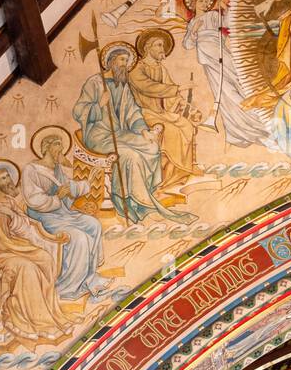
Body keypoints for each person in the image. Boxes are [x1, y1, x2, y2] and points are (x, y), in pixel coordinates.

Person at [72, 47, 196, 223]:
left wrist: (143, 131)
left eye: (128, 62)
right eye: (122, 60)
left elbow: (133, 112)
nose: (126, 65)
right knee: (130, 156)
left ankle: (147, 192)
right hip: (99, 136)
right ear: (111, 61)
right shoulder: (95, 83)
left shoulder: (123, 84)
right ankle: (132, 200)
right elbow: (78, 111)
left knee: (151, 146)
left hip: (121, 133)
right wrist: (99, 105)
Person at [0, 161, 73, 342]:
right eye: (3, 178)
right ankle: (32, 319)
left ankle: (50, 312)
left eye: (8, 176)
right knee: (26, 267)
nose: (8, 180)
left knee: (45, 258)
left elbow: (24, 225)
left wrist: (10, 214)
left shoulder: (10, 201)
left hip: (12, 245)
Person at [22, 128, 116, 301]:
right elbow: (33, 199)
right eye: (57, 144)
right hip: (44, 217)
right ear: (46, 148)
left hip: (62, 214)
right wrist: (57, 197)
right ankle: (69, 286)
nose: (61, 149)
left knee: (93, 225)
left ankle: (89, 277)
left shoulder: (56, 168)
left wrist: (88, 182)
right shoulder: (32, 169)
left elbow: (69, 187)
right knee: (79, 238)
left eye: (61, 145)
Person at [181, 0, 269, 146]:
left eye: (206, 1)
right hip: (208, 59)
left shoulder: (213, 16)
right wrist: (193, 31)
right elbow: (187, 45)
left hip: (221, 54)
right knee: (223, 92)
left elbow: (227, 23)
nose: (204, 3)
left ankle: (258, 115)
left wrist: (229, 9)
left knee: (238, 81)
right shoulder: (192, 23)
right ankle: (239, 128)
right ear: (193, 4)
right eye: (200, 1)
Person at [128, 28, 200, 186]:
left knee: (186, 126)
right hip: (143, 112)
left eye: (162, 46)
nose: (162, 49)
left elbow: (171, 90)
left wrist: (184, 104)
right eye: (159, 45)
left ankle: (181, 171)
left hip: (160, 112)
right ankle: (166, 177)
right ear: (147, 47)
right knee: (170, 130)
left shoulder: (161, 68)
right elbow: (147, 87)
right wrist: (178, 88)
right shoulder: (136, 68)